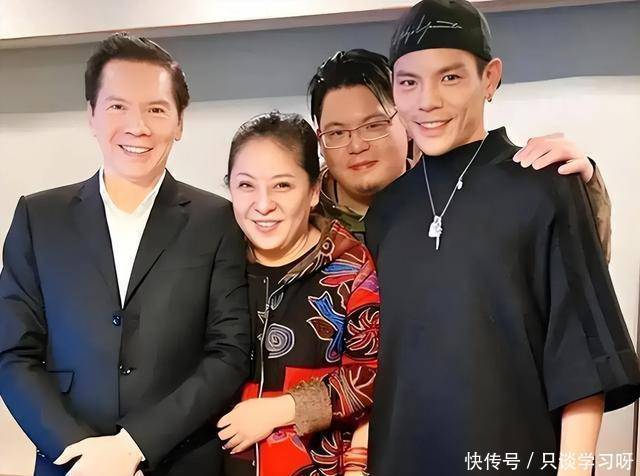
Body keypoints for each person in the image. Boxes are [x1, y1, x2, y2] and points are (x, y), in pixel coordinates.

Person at [364, 1, 640, 474]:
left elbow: (581, 359)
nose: (427, 100)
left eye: (450, 77)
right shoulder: (386, 211)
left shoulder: (544, 186)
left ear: (489, 78)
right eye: (409, 82)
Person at [0, 33, 250, 476]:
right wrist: (79, 453)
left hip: (181, 460)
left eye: (156, 109)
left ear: (180, 122)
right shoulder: (39, 217)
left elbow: (228, 353)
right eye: (118, 106)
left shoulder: (217, 219)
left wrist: (134, 445)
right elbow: (13, 353)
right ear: (91, 115)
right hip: (69, 464)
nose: (138, 126)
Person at [308, 49, 612, 261]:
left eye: (374, 125)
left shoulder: (457, 194)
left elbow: (569, 277)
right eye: (337, 133)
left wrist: (583, 189)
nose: (356, 145)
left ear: (407, 120)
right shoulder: (298, 215)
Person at [217, 112, 379, 476]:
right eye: (246, 186)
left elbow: (371, 375)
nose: (263, 205)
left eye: (282, 186)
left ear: (313, 191)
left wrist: (280, 410)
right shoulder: (214, 259)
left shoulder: (349, 265)